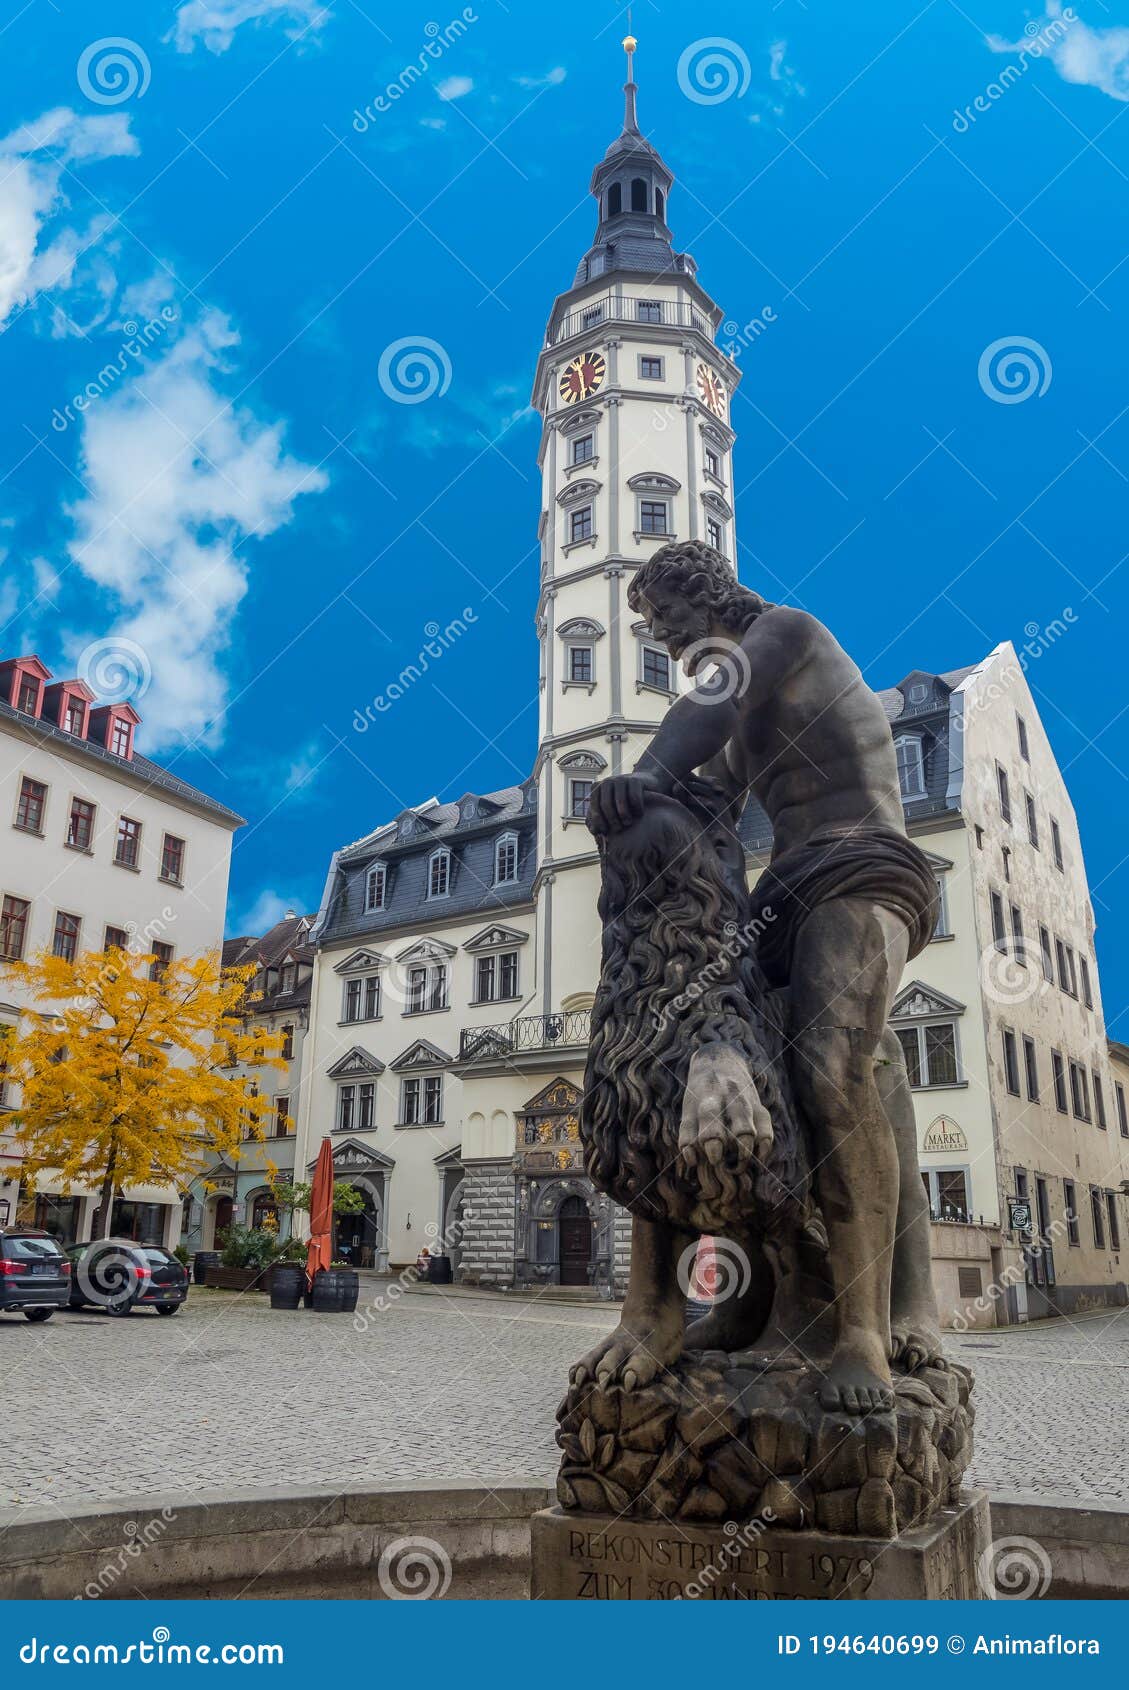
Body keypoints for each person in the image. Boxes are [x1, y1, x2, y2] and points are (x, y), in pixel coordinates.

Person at [587, 540, 942, 1415]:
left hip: (860, 867)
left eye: (668, 623)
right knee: (698, 1053)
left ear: (704, 598)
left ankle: (865, 1330)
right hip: (783, 889)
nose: (667, 645)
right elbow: (703, 795)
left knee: (828, 1072)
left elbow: (696, 726)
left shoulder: (783, 633)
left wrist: (642, 778)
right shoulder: (736, 713)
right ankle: (736, 1297)